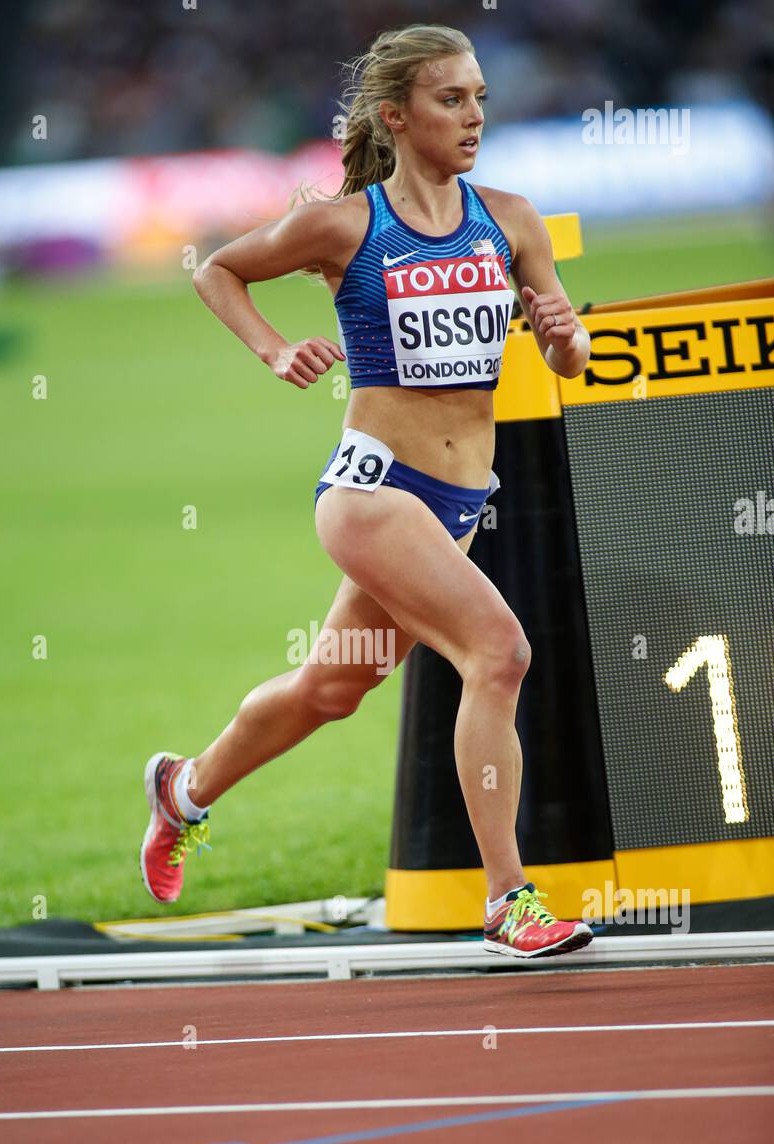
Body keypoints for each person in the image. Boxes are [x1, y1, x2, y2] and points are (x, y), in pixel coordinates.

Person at [140, 22, 594, 960]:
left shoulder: (509, 217)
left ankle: (182, 789)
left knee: (330, 688)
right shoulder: (346, 224)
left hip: (459, 504)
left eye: (478, 97)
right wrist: (275, 349)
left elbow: (569, 357)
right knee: (500, 652)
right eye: (450, 99)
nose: (474, 115)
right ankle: (509, 897)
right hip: (374, 492)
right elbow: (217, 269)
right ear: (396, 115)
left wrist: (557, 330)